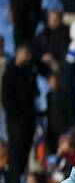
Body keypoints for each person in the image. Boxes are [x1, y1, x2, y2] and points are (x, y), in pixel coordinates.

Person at [1, 43, 38, 173]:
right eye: (26, 54)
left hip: (28, 120)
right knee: (16, 153)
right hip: (16, 123)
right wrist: (16, 117)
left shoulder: (28, 71)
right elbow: (7, 98)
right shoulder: (10, 72)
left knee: (26, 153)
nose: (28, 58)